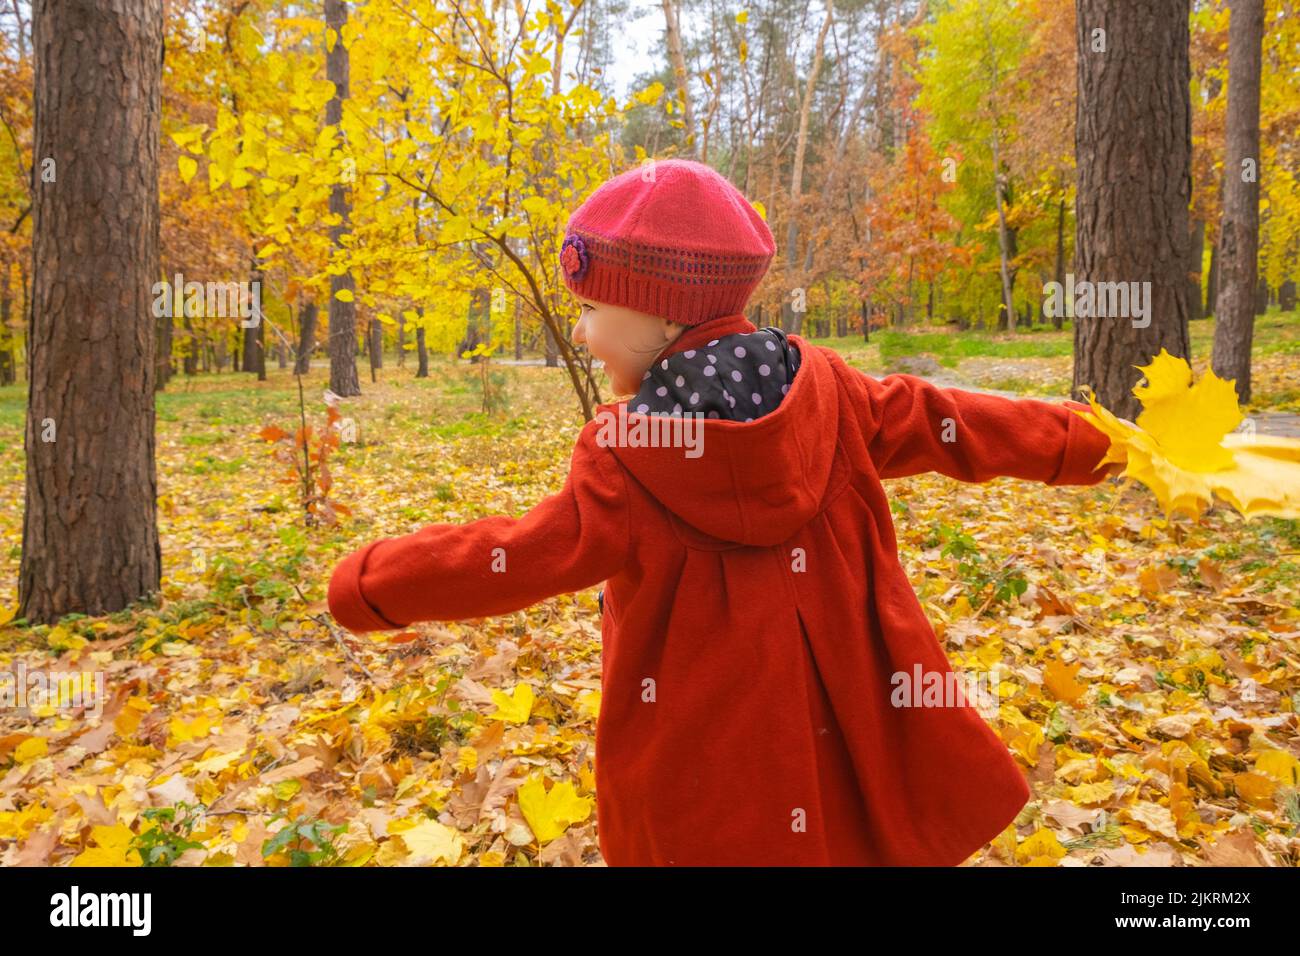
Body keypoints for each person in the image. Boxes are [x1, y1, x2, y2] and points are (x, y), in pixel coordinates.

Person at [328, 157, 1125, 865]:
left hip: (705, 769)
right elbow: (954, 420)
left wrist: (374, 582)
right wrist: (1091, 443)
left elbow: (517, 554)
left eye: (593, 307)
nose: (581, 329)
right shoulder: (833, 392)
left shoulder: (627, 456)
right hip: (850, 732)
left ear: (661, 317)